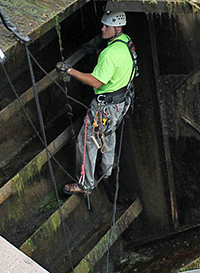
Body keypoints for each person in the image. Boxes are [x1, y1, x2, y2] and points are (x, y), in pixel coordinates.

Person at [56, 10, 138, 195]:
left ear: (117, 28)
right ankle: (107, 171)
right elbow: (118, 62)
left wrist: (69, 70)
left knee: (86, 141)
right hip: (120, 102)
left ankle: (85, 185)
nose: (102, 29)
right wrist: (95, 51)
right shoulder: (126, 41)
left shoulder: (109, 55)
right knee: (108, 132)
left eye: (106, 26)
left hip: (104, 107)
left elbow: (95, 81)